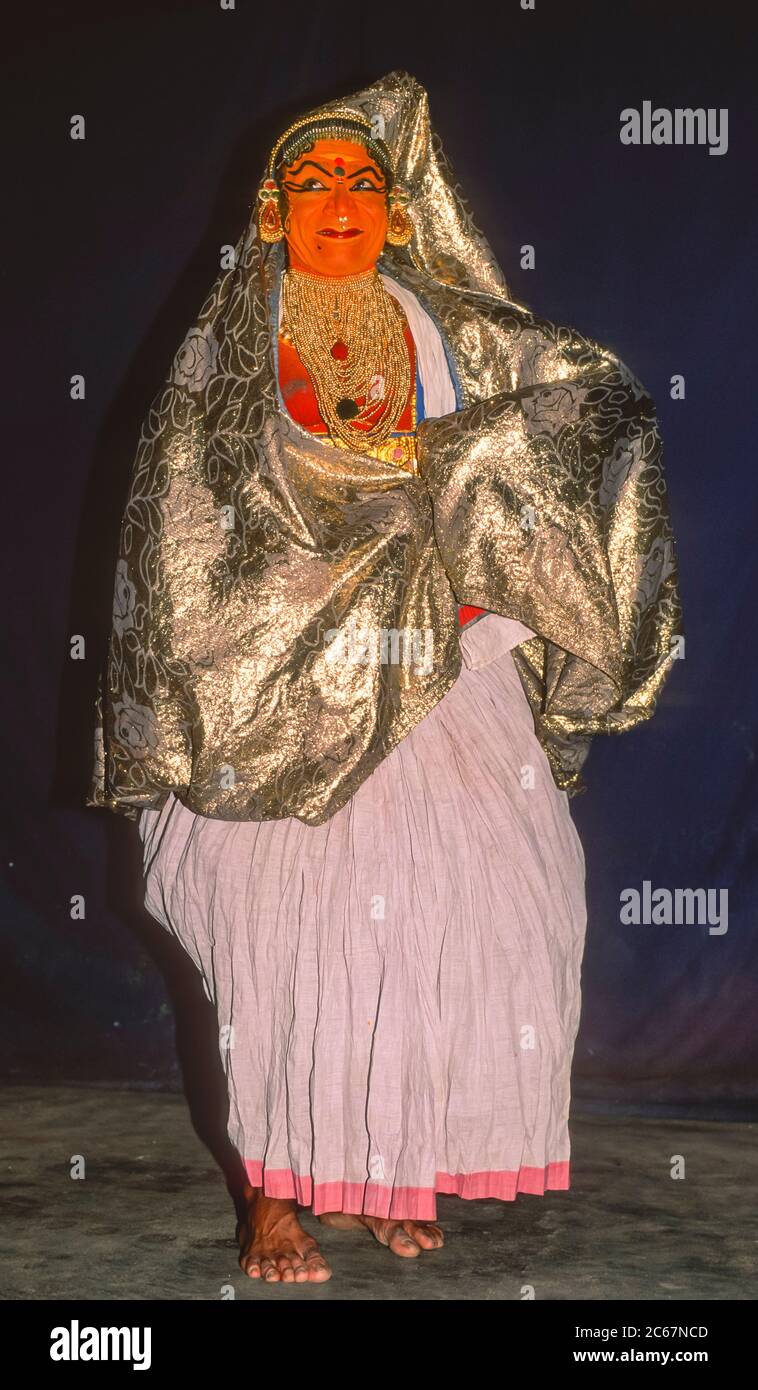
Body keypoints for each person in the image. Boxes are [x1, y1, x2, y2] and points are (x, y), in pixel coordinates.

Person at [88, 72, 683, 1285]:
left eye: (363, 180)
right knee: (285, 941)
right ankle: (272, 1199)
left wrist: (484, 491)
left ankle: (377, 1170)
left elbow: (547, 446)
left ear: (401, 208)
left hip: (441, 661)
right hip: (280, 686)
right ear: (272, 212)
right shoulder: (227, 346)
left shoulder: (445, 329)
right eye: (311, 183)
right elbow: (186, 531)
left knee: (481, 910)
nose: (340, 200)